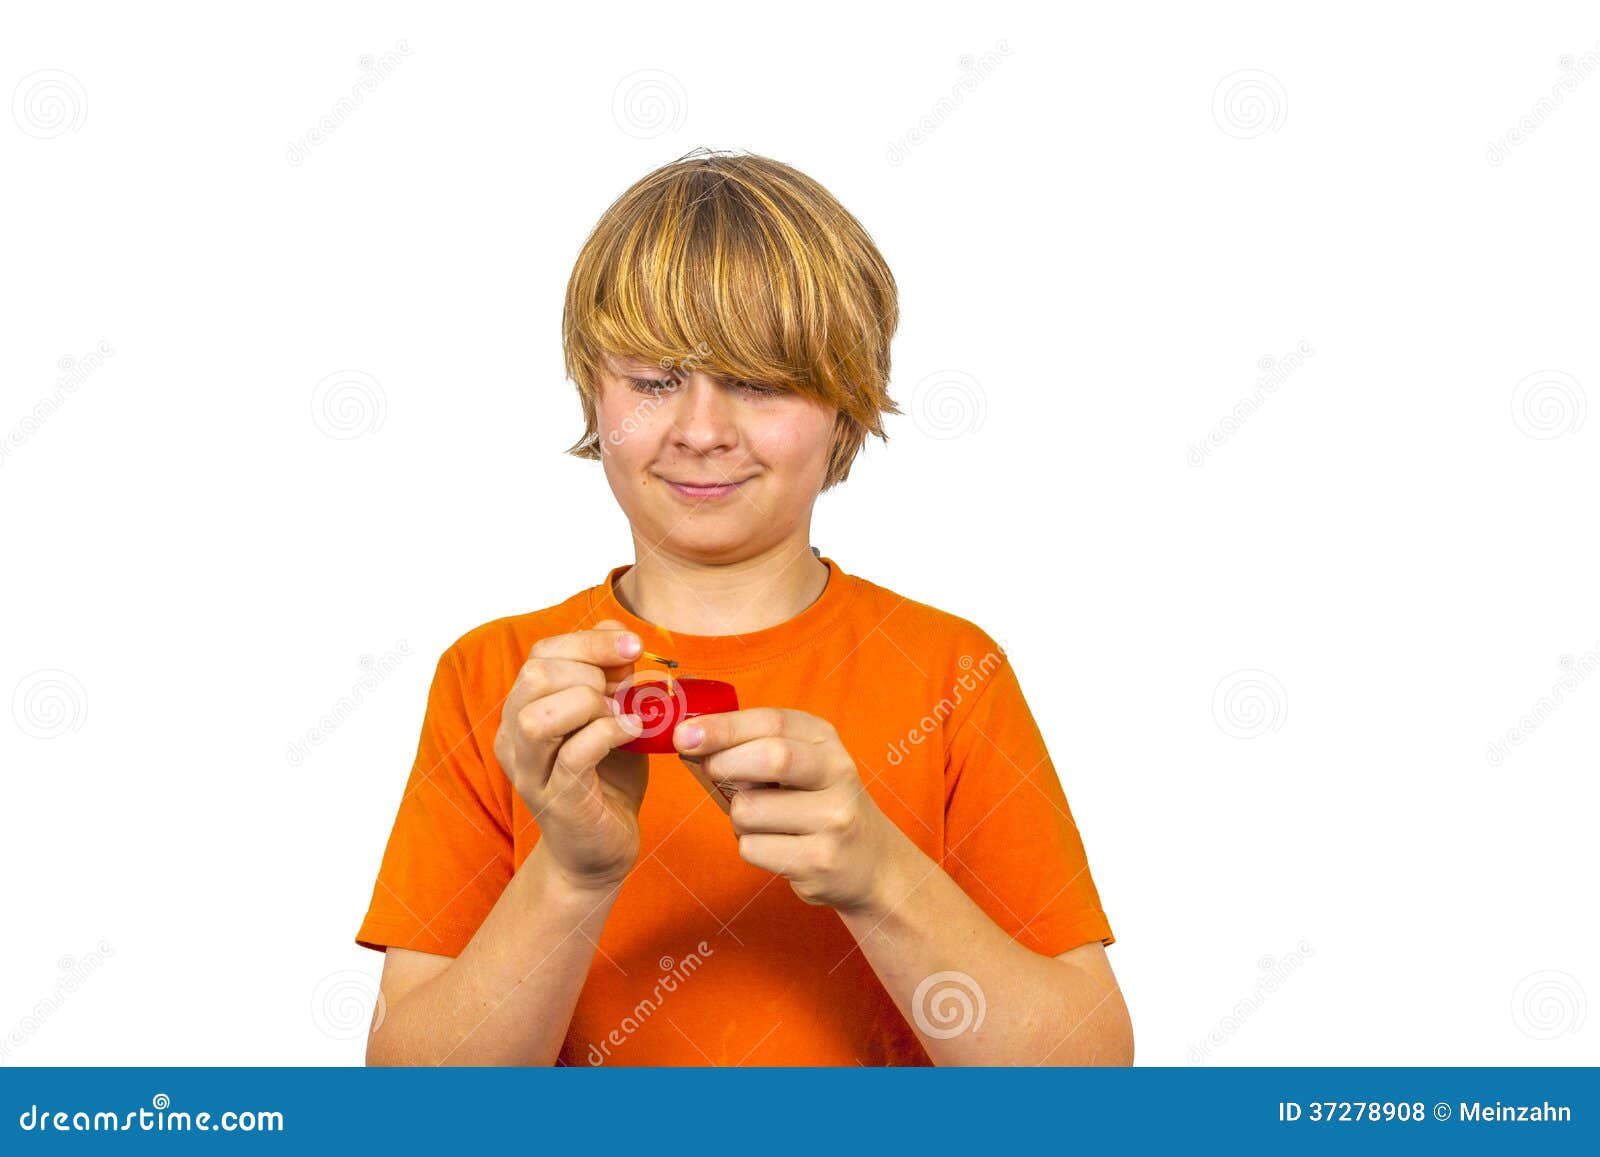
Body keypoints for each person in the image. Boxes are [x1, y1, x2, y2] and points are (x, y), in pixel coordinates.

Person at [354, 148, 1133, 1066]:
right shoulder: (499, 681)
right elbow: (413, 1104)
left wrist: (877, 874)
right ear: (593, 391)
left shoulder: (951, 673)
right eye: (654, 381)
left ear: (846, 405)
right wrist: (570, 874)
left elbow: (1084, 1079)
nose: (701, 431)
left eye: (759, 381)